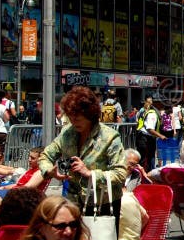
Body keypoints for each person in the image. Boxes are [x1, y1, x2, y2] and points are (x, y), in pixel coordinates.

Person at [38, 86, 127, 223]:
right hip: (73, 203)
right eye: (71, 117)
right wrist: (50, 171)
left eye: (78, 118)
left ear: (90, 114)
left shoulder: (110, 137)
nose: (74, 122)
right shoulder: (67, 133)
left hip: (102, 204)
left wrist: (90, 173)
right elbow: (45, 155)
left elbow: (120, 173)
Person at [136, 96, 165, 171]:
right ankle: (144, 175)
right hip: (144, 137)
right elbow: (149, 129)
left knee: (149, 158)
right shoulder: (151, 114)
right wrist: (161, 136)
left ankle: (147, 173)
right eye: (148, 102)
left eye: (150, 102)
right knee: (145, 159)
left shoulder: (146, 112)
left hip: (146, 137)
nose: (149, 104)